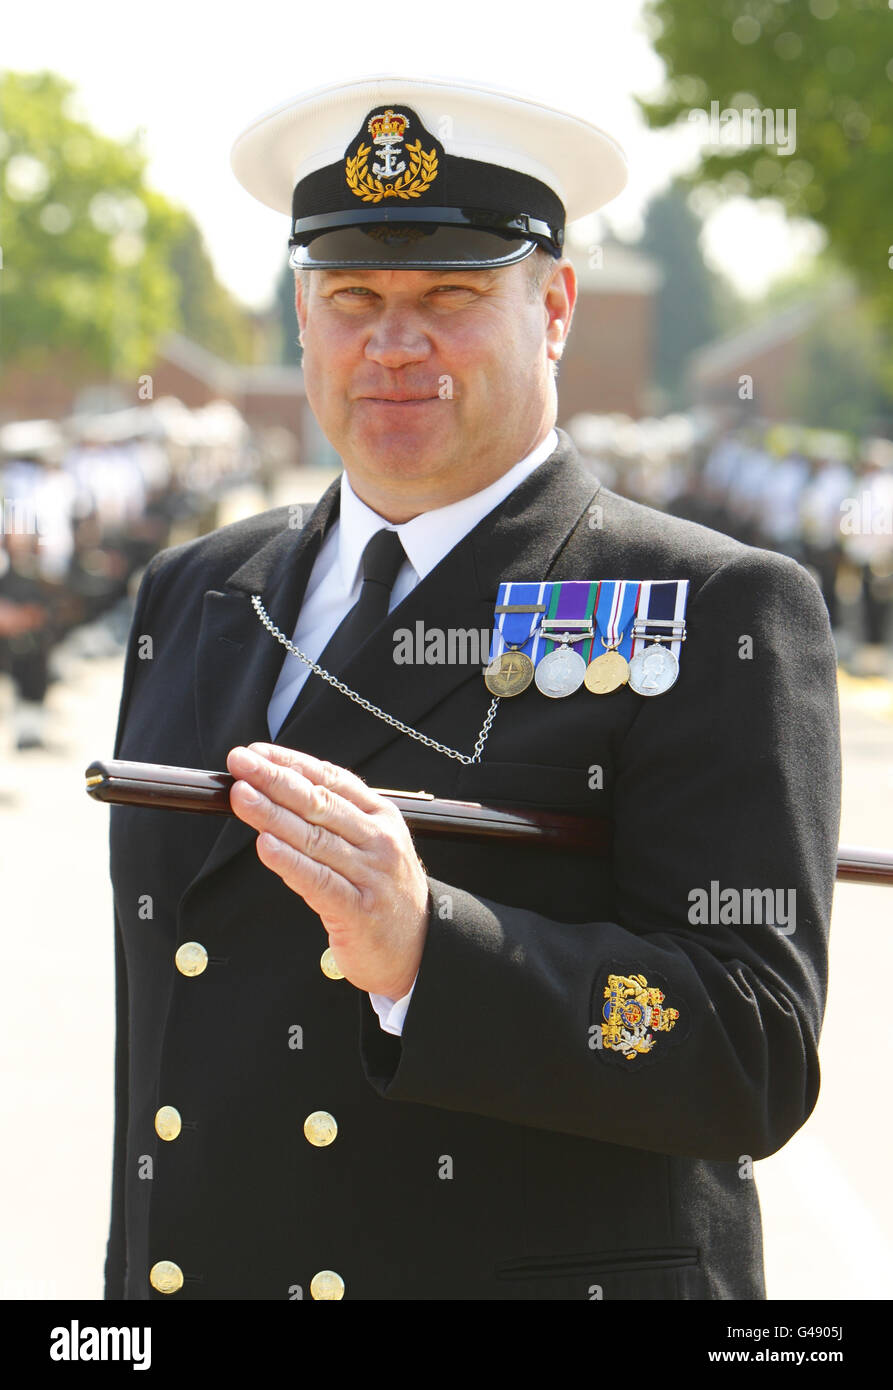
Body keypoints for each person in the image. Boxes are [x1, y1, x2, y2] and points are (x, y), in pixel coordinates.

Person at [103, 76, 840, 1302]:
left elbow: (743, 1053)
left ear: (552, 305)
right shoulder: (196, 593)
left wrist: (428, 954)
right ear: (300, 316)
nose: (395, 344)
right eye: (352, 299)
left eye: (449, 296)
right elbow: (162, 1071)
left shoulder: (707, 608)